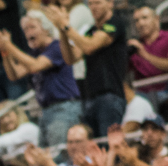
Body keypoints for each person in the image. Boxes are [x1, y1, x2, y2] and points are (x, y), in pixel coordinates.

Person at [0, 10, 80, 148]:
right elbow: (14, 75)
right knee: (46, 156)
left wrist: (9, 45)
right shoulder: (35, 53)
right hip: (46, 110)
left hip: (63, 108)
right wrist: (5, 52)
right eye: (25, 29)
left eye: (32, 27)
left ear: (46, 29)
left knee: (57, 155)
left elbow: (35, 66)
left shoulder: (57, 47)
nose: (28, 33)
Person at [50, 0, 128, 136]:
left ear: (110, 3)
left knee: (108, 144)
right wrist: (61, 31)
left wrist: (67, 26)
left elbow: (90, 46)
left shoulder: (114, 24)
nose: (93, 7)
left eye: (97, 3)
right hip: (90, 96)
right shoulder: (90, 31)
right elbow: (71, 58)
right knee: (93, 149)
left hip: (110, 95)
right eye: (91, 4)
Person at [128, 7, 168, 100]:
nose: (140, 23)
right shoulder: (135, 46)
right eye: (137, 20)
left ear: (156, 19)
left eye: (145, 18)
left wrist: (145, 55)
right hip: (143, 97)